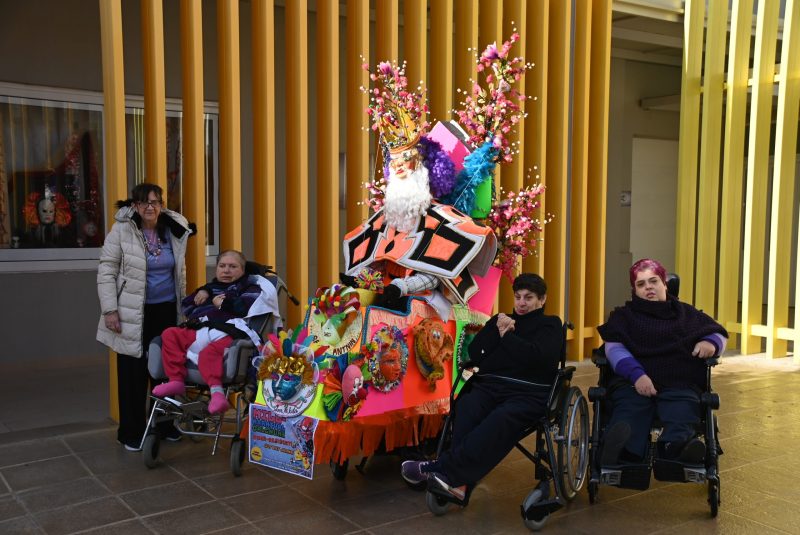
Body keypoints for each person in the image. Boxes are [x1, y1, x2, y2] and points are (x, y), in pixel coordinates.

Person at [341, 62, 496, 319]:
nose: (399, 166)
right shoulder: (385, 216)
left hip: (426, 306)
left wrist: (403, 286)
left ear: (424, 166)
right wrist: (358, 279)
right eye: (394, 162)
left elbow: (438, 273)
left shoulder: (444, 216)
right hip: (383, 302)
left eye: (406, 161)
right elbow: (375, 261)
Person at [400, 273, 563, 500]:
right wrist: (497, 331)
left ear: (542, 300)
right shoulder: (500, 320)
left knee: (500, 418)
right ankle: (459, 484)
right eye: (518, 297)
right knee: (467, 406)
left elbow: (537, 358)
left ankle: (440, 468)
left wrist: (508, 337)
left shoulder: (551, 325)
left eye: (529, 297)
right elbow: (475, 353)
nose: (522, 303)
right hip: (492, 386)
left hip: (528, 392)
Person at [596, 258, 728, 465]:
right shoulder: (623, 317)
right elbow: (614, 349)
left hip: (679, 380)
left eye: (653, 281)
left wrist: (710, 343)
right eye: (641, 284)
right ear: (634, 290)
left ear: (665, 284)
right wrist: (637, 376)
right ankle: (623, 452)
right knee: (630, 407)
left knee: (682, 408)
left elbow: (718, 333)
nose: (648, 287)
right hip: (633, 382)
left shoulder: (686, 313)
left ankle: (675, 448)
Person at [96, 183, 192, 451]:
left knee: (167, 369)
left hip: (167, 309)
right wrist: (110, 310)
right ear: (134, 206)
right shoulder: (122, 231)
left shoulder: (175, 228)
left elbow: (179, 273)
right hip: (130, 311)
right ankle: (131, 431)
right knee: (132, 373)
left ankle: (164, 425)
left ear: (162, 204)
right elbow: (106, 272)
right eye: (143, 202)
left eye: (155, 202)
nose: (150, 207)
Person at [152, 250, 262, 414]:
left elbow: (245, 307)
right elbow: (187, 306)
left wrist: (224, 304)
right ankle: (176, 379)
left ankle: (217, 393)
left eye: (233, 266)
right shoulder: (210, 288)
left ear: (243, 270)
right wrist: (203, 292)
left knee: (208, 354)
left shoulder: (249, 288)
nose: (226, 270)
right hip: (199, 329)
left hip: (227, 332)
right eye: (222, 266)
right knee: (169, 334)